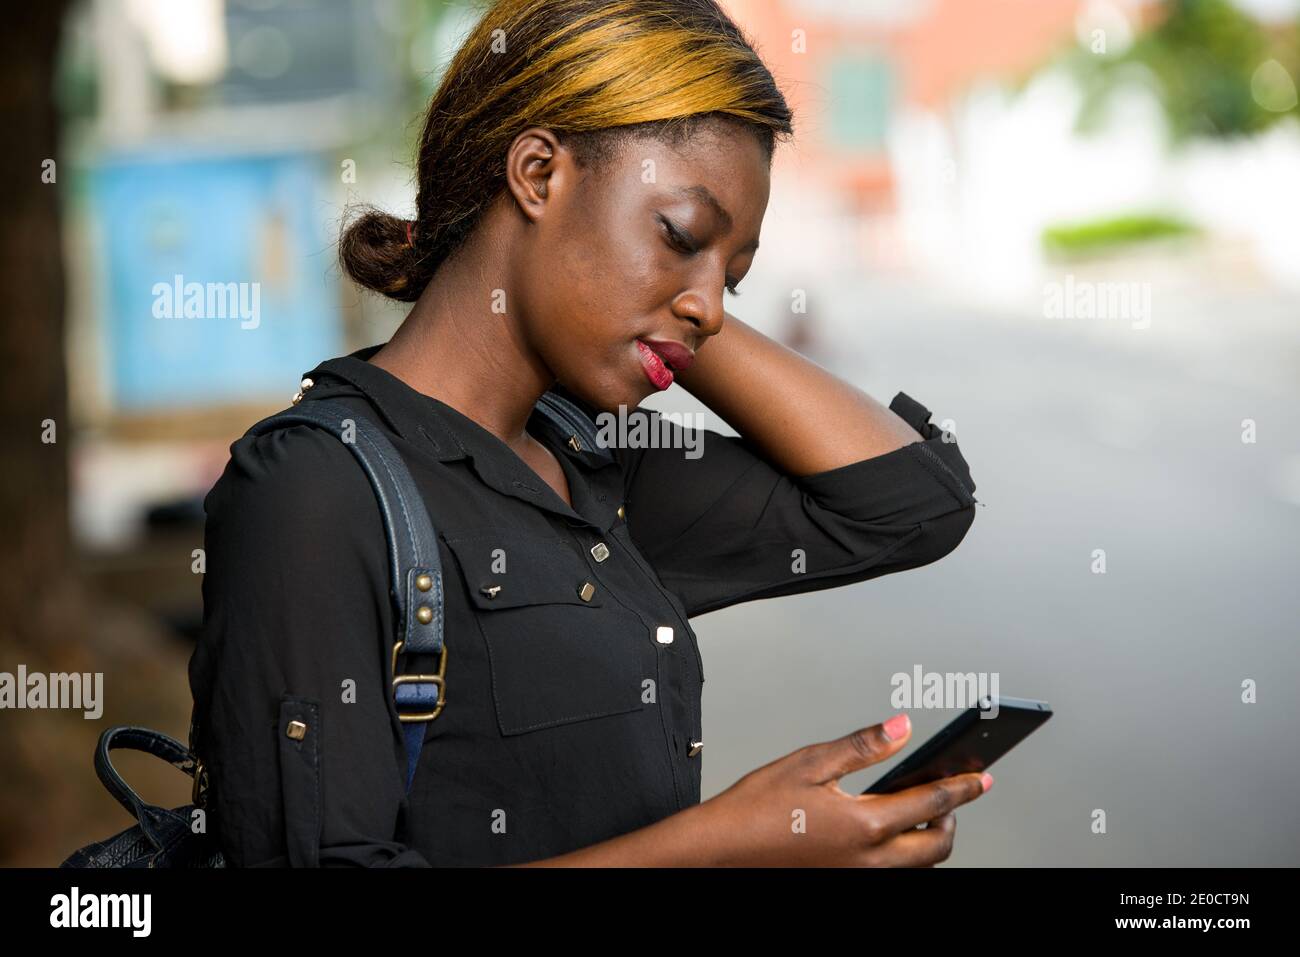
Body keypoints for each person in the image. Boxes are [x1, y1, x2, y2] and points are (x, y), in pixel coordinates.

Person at [188, 0, 987, 867]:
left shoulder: (594, 471)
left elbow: (911, 504)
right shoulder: (315, 492)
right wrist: (723, 849)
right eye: (679, 232)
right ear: (537, 173)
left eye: (737, 277)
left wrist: (673, 303)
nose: (714, 308)